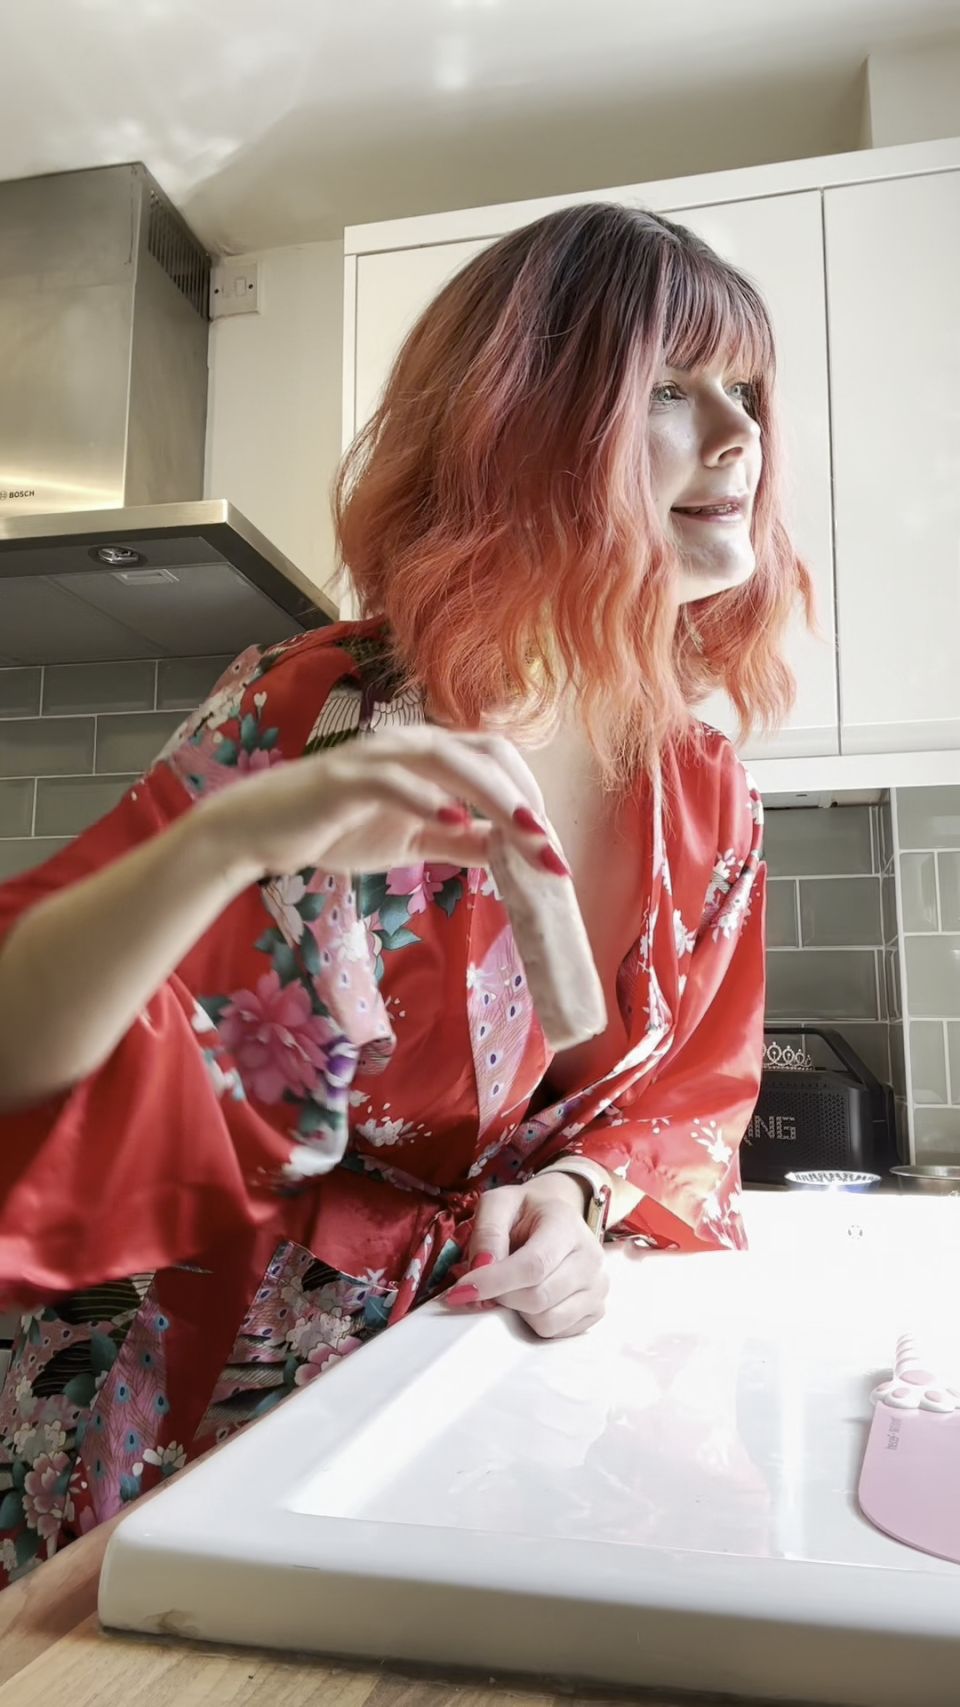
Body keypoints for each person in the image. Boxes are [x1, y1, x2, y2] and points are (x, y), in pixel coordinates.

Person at [0, 203, 809, 1583]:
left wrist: (575, 1195)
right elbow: (33, 1062)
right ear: (520, 425)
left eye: (745, 390)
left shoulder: (705, 787)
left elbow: (691, 1098)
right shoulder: (326, 712)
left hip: (472, 1392)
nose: (740, 436)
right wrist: (215, 849)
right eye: (669, 392)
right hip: (197, 1412)